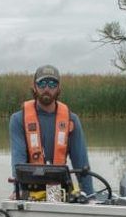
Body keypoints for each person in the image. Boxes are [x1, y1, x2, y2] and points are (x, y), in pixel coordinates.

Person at [8, 64, 94, 199]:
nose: (47, 88)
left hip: (60, 191)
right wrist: (17, 191)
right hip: (29, 192)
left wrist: (90, 197)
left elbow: (81, 164)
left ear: (59, 88)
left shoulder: (72, 120)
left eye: (52, 84)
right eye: (42, 84)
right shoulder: (18, 120)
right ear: (34, 87)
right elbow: (18, 161)